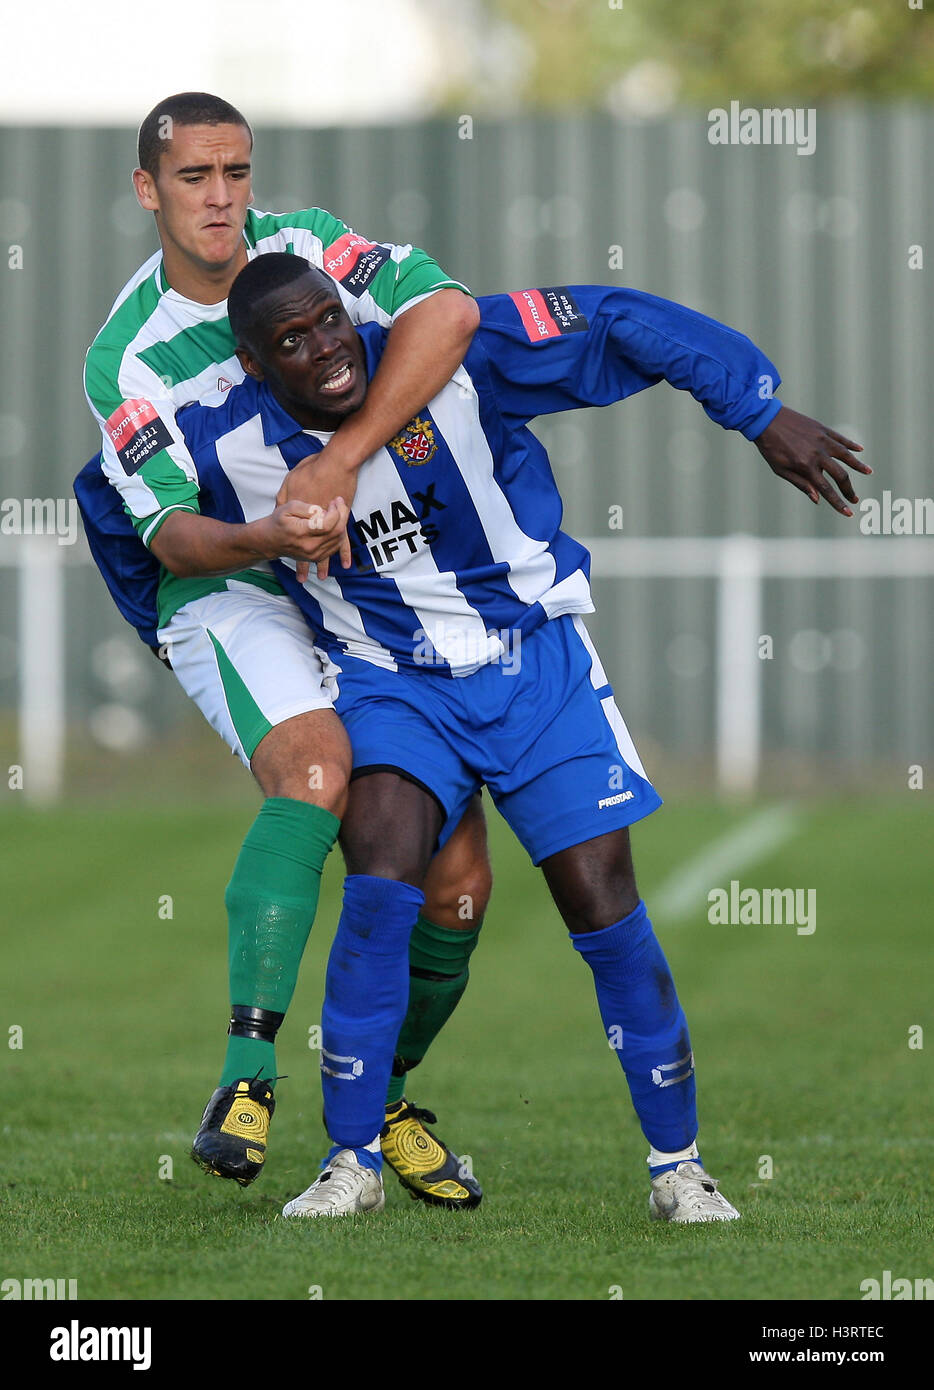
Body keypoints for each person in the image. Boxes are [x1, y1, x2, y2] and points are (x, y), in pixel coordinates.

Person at [169, 254, 869, 1220]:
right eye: (290, 341)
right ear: (253, 365)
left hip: (532, 662)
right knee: (381, 882)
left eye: (329, 321)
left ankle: (681, 1170)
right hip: (392, 684)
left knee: (601, 904)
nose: (325, 349)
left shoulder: (446, 358)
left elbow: (617, 315)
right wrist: (211, 595)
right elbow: (149, 519)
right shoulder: (228, 443)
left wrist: (754, 409)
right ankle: (350, 1164)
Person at [77, 91, 491, 1210]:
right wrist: (276, 530)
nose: (221, 198)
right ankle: (246, 1077)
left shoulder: (308, 249)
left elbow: (448, 310)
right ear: (147, 189)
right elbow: (168, 530)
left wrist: (340, 465)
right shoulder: (128, 356)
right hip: (228, 580)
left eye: (236, 173)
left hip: (359, 565)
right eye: (194, 177)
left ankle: (382, 1098)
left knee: (454, 885)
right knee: (314, 767)